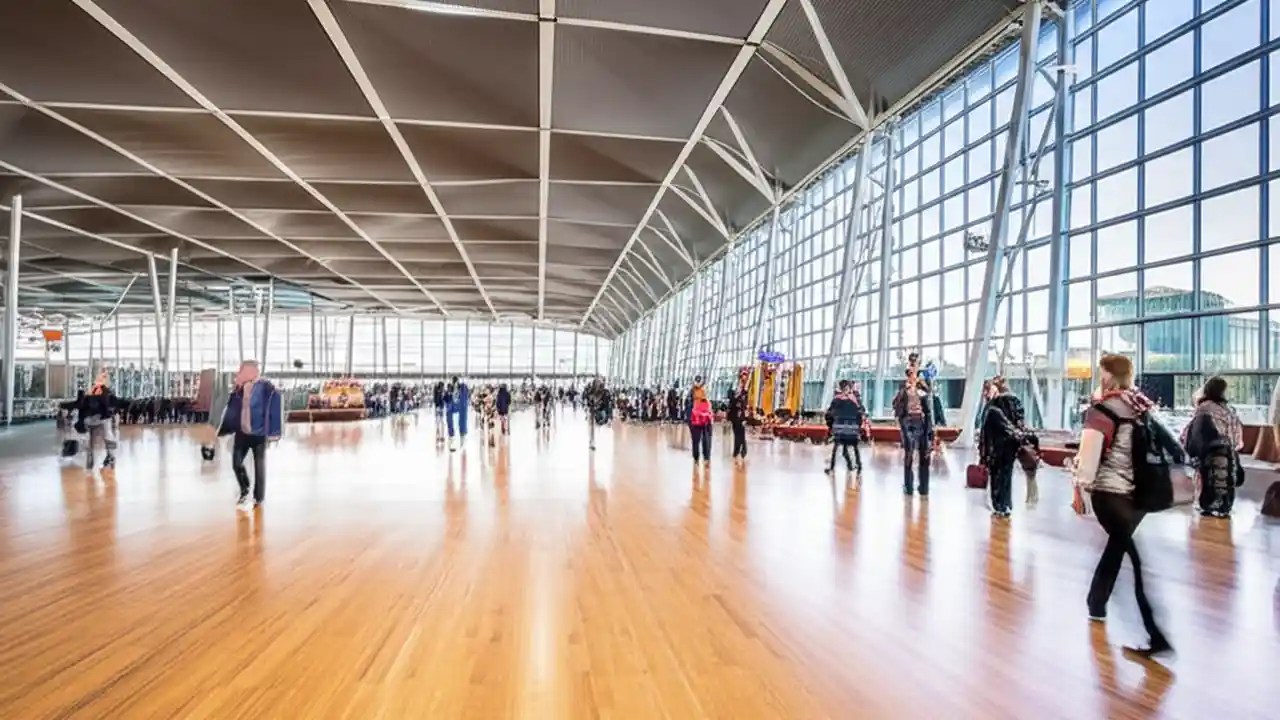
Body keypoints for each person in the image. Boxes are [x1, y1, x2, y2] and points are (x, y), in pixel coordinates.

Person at [1074, 354, 1183, 657]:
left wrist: (1080, 486)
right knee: (1120, 548)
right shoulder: (1141, 407)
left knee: (1130, 557)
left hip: (1110, 493)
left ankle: (1154, 632)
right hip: (1141, 497)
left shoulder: (1102, 410)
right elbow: (1174, 446)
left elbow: (1089, 461)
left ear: (1107, 374)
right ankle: (1096, 603)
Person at [217, 361, 282, 512]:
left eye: (243, 370)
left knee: (259, 465)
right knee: (236, 463)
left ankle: (258, 497)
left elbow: (275, 406)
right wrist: (224, 430)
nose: (239, 372)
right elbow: (232, 410)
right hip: (242, 432)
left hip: (259, 433)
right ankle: (244, 488)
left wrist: (274, 432)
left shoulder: (266, 387)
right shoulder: (238, 389)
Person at [1181, 376, 1244, 518]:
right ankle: (1223, 506)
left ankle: (1206, 505)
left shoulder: (1203, 408)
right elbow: (1237, 437)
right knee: (1225, 482)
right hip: (1228, 455)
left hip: (1208, 454)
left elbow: (1192, 433)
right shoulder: (1229, 410)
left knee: (1206, 481)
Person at [980, 389, 1026, 517]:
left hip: (996, 448)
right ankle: (1006, 504)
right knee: (1007, 476)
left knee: (996, 477)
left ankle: (999, 505)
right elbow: (1019, 426)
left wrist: (983, 454)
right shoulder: (1015, 407)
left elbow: (986, 434)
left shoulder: (993, 410)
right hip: (1010, 448)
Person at [892, 368, 935, 496]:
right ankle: (909, 486)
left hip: (922, 422)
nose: (912, 376)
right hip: (908, 423)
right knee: (909, 454)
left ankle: (924, 487)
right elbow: (896, 404)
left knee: (924, 455)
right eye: (910, 373)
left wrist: (930, 428)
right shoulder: (903, 389)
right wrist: (903, 391)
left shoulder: (923, 387)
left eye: (914, 373)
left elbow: (928, 407)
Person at [825, 380, 866, 476]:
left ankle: (832, 468)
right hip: (852, 430)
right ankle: (858, 466)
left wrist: (831, 427)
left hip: (839, 430)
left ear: (840, 388)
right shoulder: (855, 400)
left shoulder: (836, 400)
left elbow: (829, 415)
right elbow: (860, 414)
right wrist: (858, 428)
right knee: (854, 447)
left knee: (836, 448)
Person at [688, 379, 714, 467]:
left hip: (696, 419)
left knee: (696, 440)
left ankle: (696, 459)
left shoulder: (693, 395)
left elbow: (688, 408)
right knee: (706, 439)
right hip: (704, 419)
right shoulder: (705, 394)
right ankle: (706, 458)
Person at [584, 377, 608, 451]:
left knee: (596, 426)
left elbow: (605, 403)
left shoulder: (603, 392)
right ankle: (592, 442)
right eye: (596, 383)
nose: (597, 385)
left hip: (598, 411)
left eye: (599, 383)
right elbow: (587, 401)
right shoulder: (590, 392)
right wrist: (587, 407)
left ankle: (592, 441)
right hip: (591, 411)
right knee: (591, 427)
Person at [447, 376, 469, 451]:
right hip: (454, 410)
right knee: (454, 427)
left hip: (460, 410)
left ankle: (462, 444)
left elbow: (464, 397)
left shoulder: (462, 387)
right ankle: (454, 445)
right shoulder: (451, 388)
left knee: (461, 427)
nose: (455, 384)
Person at [727, 386, 748, 462]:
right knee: (737, 435)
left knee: (741, 435)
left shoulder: (742, 398)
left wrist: (744, 419)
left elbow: (743, 408)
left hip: (740, 419)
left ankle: (743, 450)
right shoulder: (734, 399)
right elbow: (730, 409)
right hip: (735, 419)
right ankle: (737, 451)